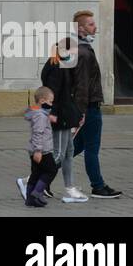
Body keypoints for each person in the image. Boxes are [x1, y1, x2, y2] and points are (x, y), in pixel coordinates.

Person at [71, 10, 122, 199]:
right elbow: (82, 85)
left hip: (88, 107)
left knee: (74, 148)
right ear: (81, 28)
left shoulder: (81, 47)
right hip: (90, 108)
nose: (95, 27)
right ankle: (98, 186)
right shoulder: (83, 51)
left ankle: (39, 178)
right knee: (91, 148)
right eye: (91, 24)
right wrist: (82, 112)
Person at [41, 41, 88, 203]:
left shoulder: (63, 66)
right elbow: (51, 94)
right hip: (59, 116)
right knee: (59, 154)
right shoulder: (55, 68)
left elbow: (68, 96)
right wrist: (51, 113)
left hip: (66, 115)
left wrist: (76, 114)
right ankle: (32, 182)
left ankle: (69, 188)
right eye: (73, 52)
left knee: (69, 150)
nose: (74, 56)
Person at [23, 87, 58, 208]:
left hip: (35, 150)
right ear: (42, 101)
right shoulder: (41, 116)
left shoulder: (38, 113)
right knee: (51, 170)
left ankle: (29, 199)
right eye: (50, 102)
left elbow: (40, 117)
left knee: (36, 173)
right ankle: (37, 192)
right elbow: (38, 132)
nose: (51, 104)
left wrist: (49, 117)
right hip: (43, 151)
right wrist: (38, 150)